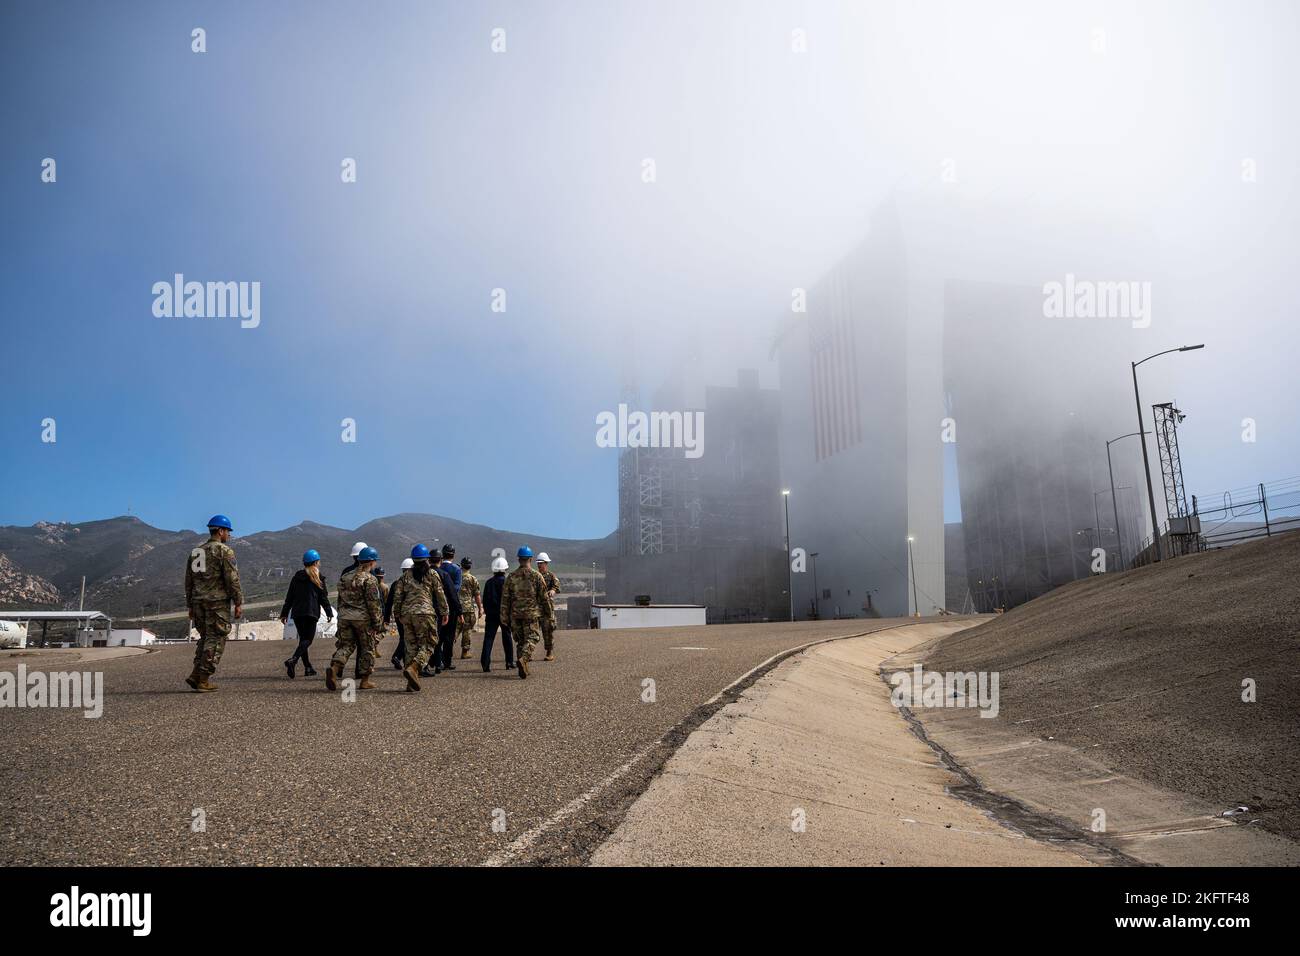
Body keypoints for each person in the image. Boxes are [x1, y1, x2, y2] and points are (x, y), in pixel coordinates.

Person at [184, 514, 243, 692]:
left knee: (205, 638)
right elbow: (232, 579)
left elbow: (189, 580)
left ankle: (195, 674)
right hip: (217, 603)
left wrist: (190, 605)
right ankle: (203, 679)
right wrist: (238, 602)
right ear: (221, 531)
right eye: (228, 532)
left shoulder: (197, 552)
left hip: (198, 602)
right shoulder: (224, 551)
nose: (229, 536)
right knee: (216, 638)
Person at [389, 544, 449, 691]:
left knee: (411, 647)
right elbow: (440, 595)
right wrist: (444, 612)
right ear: (427, 559)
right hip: (425, 613)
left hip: (407, 615)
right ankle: (415, 667)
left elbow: (398, 596)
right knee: (429, 643)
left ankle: (410, 683)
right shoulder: (432, 574)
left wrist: (397, 613)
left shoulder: (405, 576)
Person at [326, 546, 383, 691]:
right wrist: (377, 623)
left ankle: (334, 668)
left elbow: (340, 599)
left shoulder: (345, 577)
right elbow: (373, 603)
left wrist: (341, 616)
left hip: (345, 617)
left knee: (346, 645)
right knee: (367, 648)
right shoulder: (370, 579)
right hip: (362, 619)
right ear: (371, 562)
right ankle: (365, 681)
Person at [280, 549, 334, 679]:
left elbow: (290, 597)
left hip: (297, 613)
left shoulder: (296, 577)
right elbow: (323, 597)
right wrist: (329, 612)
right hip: (311, 613)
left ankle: (308, 668)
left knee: (303, 640)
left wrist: (284, 613)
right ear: (316, 562)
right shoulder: (318, 577)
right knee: (307, 640)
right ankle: (293, 660)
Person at [500, 546, 549, 679]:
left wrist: (504, 616)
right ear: (531, 559)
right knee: (533, 638)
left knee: (521, 641)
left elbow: (505, 599)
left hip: (515, 615)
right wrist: (549, 614)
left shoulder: (510, 577)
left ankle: (524, 668)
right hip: (531, 614)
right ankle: (524, 659)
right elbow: (544, 598)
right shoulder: (536, 576)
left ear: (519, 559)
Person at [480, 555, 513, 672]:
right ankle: (509, 662)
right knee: (507, 637)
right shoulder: (507, 582)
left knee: (488, 638)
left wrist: (487, 612)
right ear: (505, 569)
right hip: (504, 614)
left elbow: (485, 600)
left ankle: (485, 663)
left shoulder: (489, 583)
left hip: (491, 615)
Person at [432, 544, 462, 674]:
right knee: (449, 636)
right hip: (450, 606)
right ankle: (447, 661)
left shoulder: (433, 569)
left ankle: (436, 660)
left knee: (438, 634)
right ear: (453, 555)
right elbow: (456, 589)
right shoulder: (456, 569)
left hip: (435, 606)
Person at [387, 557, 414, 669]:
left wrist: (386, 618)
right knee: (408, 637)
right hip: (408, 614)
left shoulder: (395, 584)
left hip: (398, 614)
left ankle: (399, 657)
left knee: (403, 637)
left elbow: (389, 602)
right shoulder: (413, 583)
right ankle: (398, 657)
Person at [535, 552, 562, 661]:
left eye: (541, 563)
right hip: (535, 608)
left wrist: (553, 590)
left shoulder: (551, 576)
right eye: (538, 563)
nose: (539, 565)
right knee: (532, 632)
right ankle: (529, 653)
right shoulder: (535, 576)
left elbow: (557, 586)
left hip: (547, 609)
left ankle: (549, 652)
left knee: (548, 631)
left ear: (546, 563)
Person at [458, 557, 482, 659]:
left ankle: (446, 651)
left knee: (454, 630)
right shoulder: (473, 579)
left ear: (461, 565)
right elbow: (477, 595)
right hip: (468, 608)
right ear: (470, 566)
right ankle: (465, 652)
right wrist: (480, 608)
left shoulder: (456, 577)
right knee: (467, 630)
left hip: (456, 607)